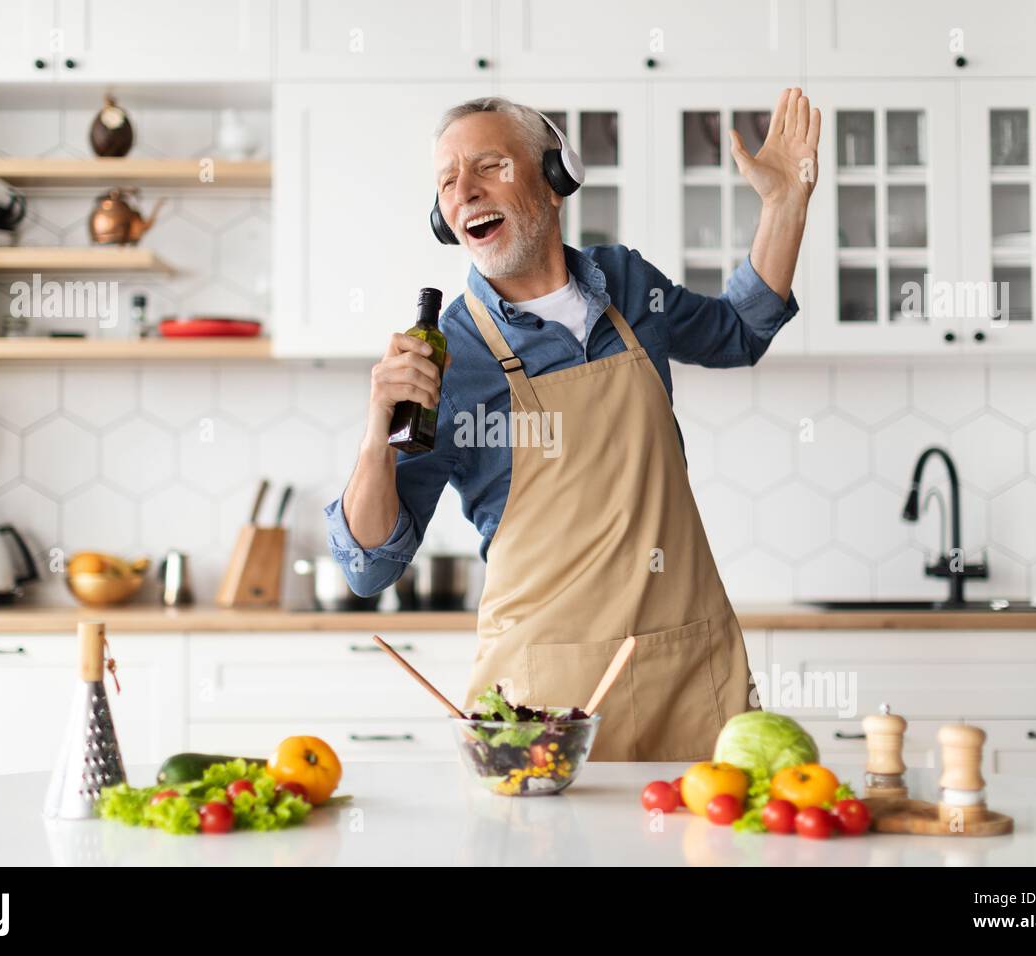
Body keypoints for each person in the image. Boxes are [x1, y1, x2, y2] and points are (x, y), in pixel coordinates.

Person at [324, 91, 820, 760]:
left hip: (689, 667)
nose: (464, 190)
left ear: (556, 180)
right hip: (544, 698)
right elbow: (368, 566)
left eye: (489, 165)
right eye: (447, 181)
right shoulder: (448, 354)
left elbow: (738, 332)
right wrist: (376, 431)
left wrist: (785, 204)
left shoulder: (624, 283)